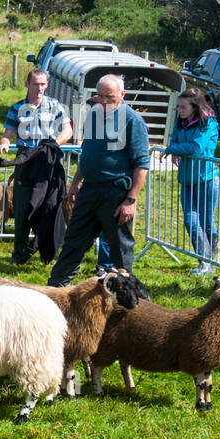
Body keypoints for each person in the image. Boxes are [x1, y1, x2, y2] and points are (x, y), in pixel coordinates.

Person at [47, 75, 150, 287]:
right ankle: (56, 289)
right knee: (73, 241)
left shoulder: (133, 121)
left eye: (109, 97)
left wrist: (130, 200)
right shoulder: (94, 115)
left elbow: (142, 164)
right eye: (100, 96)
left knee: (119, 248)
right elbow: (87, 153)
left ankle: (124, 296)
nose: (103, 101)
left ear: (123, 95)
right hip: (90, 190)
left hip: (115, 193)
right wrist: (76, 182)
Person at [0, 69, 73, 264]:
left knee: (50, 207)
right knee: (23, 208)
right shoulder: (16, 108)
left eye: (43, 84)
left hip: (48, 161)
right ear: (27, 84)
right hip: (25, 160)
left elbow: (68, 130)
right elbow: (7, 134)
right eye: (36, 84)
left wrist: (54, 144)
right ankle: (19, 253)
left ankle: (46, 252)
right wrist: (4, 145)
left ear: (47, 85)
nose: (39, 88)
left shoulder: (56, 106)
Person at [156, 88, 219, 276]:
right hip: (186, 178)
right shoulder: (179, 121)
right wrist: (174, 148)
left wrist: (172, 149)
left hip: (206, 178)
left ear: (195, 107)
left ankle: (211, 262)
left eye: (183, 107)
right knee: (190, 221)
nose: (179, 111)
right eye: (178, 107)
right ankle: (203, 261)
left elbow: (196, 148)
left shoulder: (208, 123)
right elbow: (174, 139)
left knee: (207, 222)